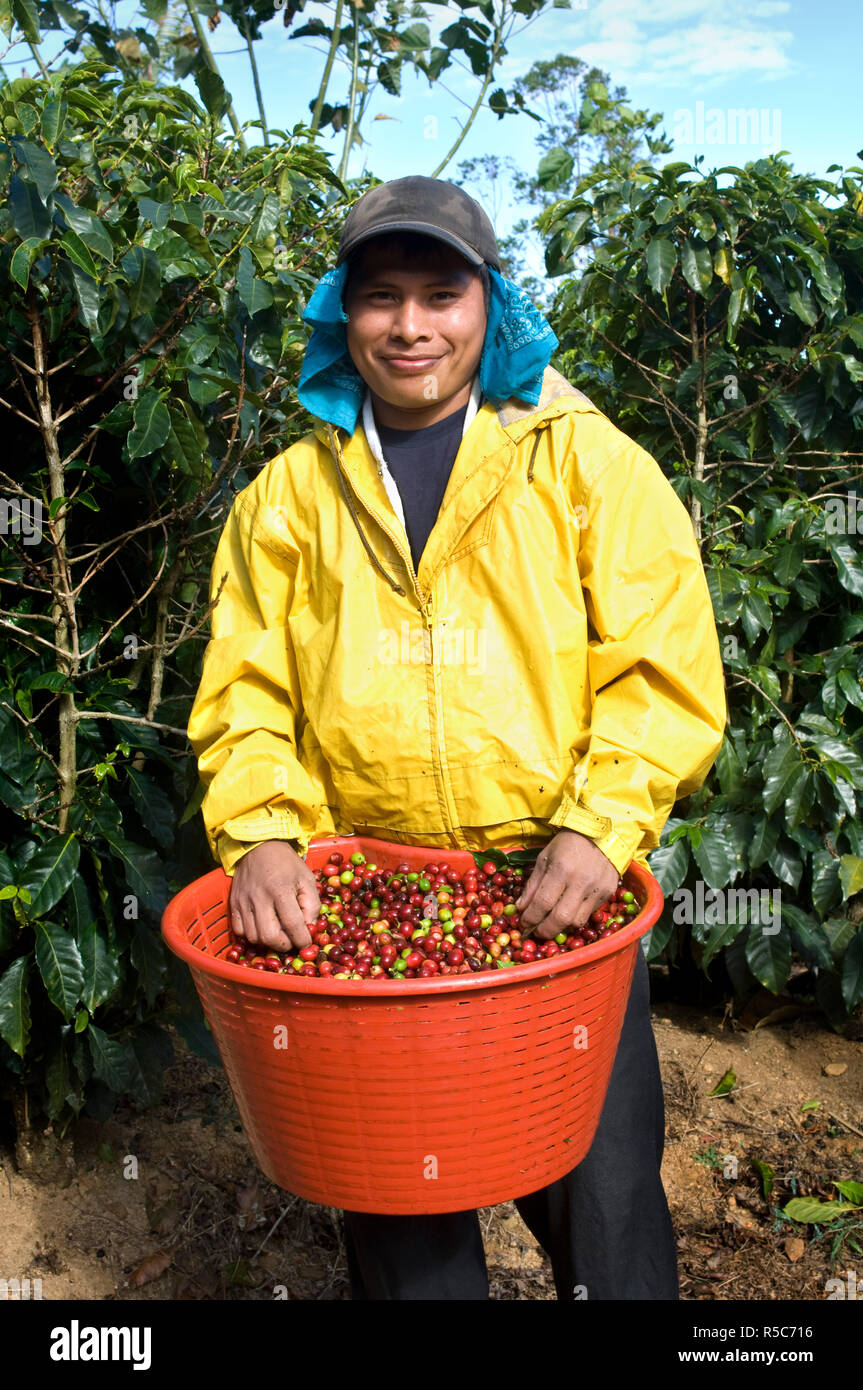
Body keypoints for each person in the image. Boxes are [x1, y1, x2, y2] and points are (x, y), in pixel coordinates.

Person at [186, 175, 727, 1300]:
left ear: (492, 305)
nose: (411, 326)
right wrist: (263, 835)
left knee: (605, 1204)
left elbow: (662, 666)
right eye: (380, 297)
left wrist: (596, 824)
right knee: (404, 1225)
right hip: (371, 902)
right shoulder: (285, 501)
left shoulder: (585, 465)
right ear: (344, 313)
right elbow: (246, 693)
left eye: (441, 293)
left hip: (556, 897)